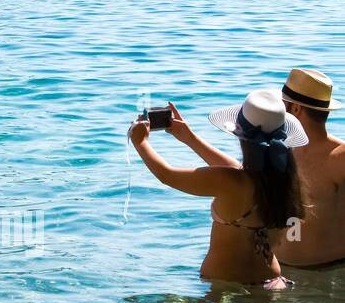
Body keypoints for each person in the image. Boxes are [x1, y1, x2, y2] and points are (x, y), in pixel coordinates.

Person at [129, 90, 306, 288]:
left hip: (229, 289)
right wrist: (189, 138)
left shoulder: (230, 181)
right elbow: (234, 170)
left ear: (240, 134)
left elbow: (166, 175)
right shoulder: (285, 181)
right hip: (273, 282)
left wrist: (140, 142)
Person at [276, 68, 345, 266]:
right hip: (278, 272)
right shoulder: (279, 149)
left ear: (296, 109)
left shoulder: (339, 157)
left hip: (326, 278)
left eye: (282, 104)